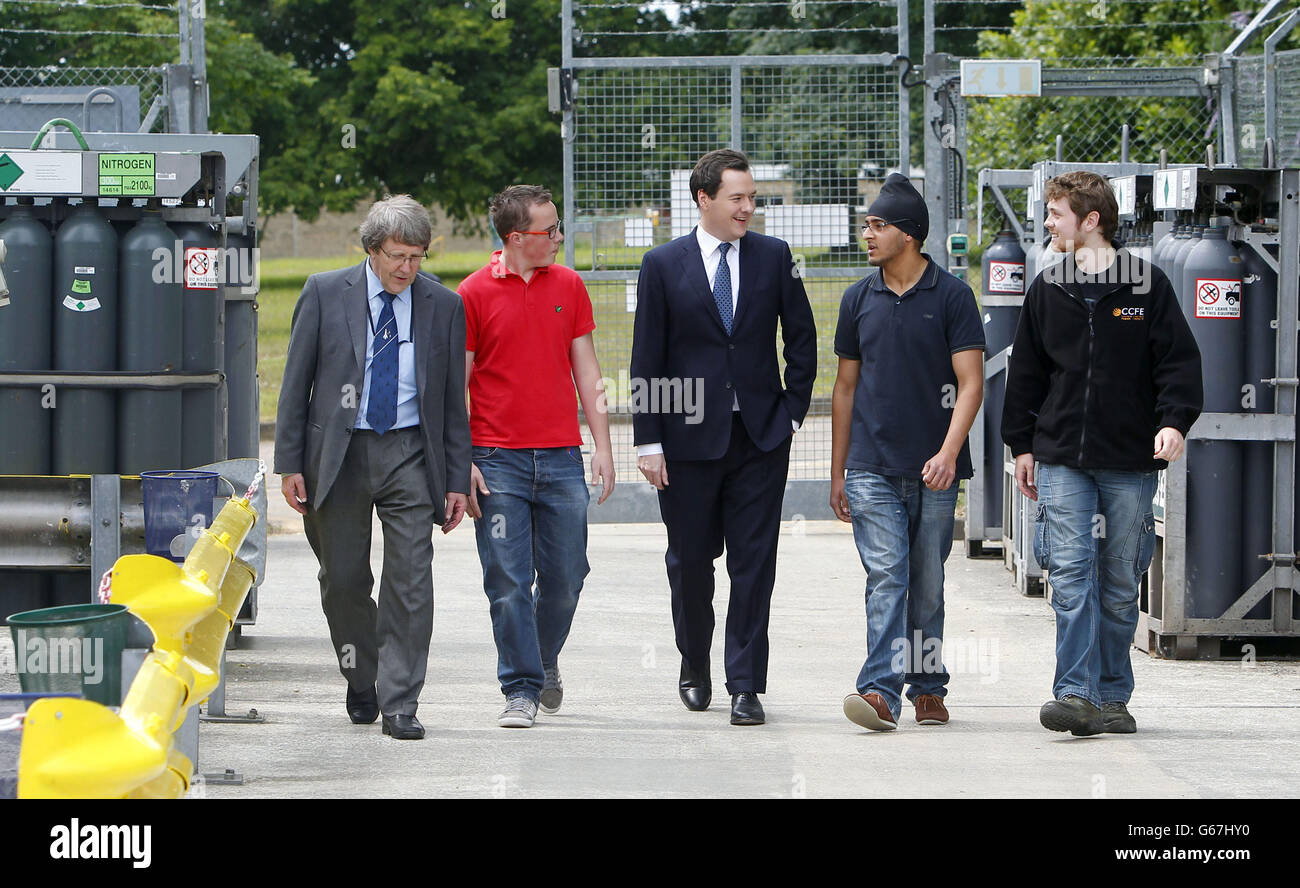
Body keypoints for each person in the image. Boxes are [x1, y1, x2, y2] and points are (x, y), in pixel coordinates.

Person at [1001, 170, 1202, 736]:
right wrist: (1021, 444)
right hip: (1062, 455)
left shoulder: (1147, 286)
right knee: (1070, 573)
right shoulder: (1049, 287)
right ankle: (1074, 694)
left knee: (1118, 579)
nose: (1047, 224)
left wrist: (1174, 423)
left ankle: (1113, 697)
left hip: (1129, 459)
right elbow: (1027, 374)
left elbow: (1179, 364)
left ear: (1090, 221)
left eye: (1056, 214)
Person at [630, 148, 817, 726]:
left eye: (752, 197)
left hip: (759, 438)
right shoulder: (662, 264)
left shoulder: (774, 256)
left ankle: (745, 684)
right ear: (703, 199)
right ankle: (694, 666)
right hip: (685, 444)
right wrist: (648, 441)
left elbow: (803, 339)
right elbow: (647, 356)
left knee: (754, 563)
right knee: (689, 563)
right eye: (737, 198)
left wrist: (791, 413)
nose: (748, 208)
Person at [275, 195, 471, 741]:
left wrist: (457, 479)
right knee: (344, 580)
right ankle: (361, 676)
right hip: (338, 455)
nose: (406, 268)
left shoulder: (443, 306)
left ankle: (401, 700)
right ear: (370, 249)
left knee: (410, 580)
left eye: (416, 257)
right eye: (396, 256)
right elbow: (297, 384)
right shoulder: (322, 291)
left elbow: (454, 402)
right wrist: (289, 462)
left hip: (410, 452)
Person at [830, 173, 985, 732]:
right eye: (867, 224)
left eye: (878, 225)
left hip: (936, 471)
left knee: (927, 584)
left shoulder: (952, 296)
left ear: (910, 235)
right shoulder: (857, 299)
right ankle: (879, 691)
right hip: (872, 466)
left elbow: (971, 383)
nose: (867, 234)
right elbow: (843, 389)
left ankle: (927, 685)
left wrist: (948, 454)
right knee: (887, 576)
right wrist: (838, 471)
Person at [459, 185, 614, 729]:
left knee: (569, 573)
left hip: (562, 458)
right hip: (495, 459)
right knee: (506, 578)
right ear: (515, 238)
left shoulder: (568, 286)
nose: (558, 238)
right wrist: (463, 458)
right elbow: (457, 385)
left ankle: (543, 658)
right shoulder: (473, 293)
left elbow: (587, 371)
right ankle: (521, 687)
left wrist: (603, 446)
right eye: (549, 231)